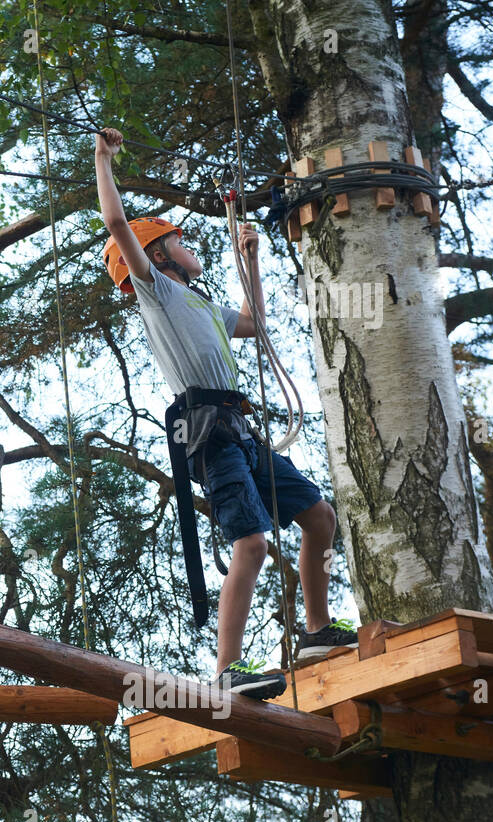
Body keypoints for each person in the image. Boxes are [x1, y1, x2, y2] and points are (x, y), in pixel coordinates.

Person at [93, 127, 356, 699]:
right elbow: (116, 225)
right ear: (158, 254)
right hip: (210, 437)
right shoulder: (158, 293)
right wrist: (103, 159)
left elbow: (253, 323)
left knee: (319, 518)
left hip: (239, 431)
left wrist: (249, 261)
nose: (190, 246)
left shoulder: (200, 303)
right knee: (253, 543)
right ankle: (228, 669)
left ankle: (315, 631)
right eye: (177, 240)